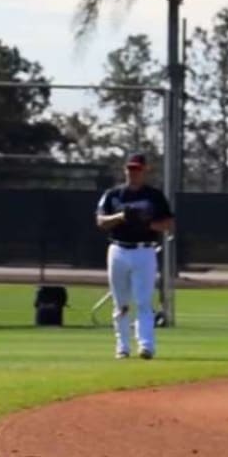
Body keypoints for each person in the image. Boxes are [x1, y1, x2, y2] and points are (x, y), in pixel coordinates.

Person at [94, 153, 174, 360]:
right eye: (130, 168)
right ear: (125, 170)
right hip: (118, 250)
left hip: (144, 250)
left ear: (145, 170)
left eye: (137, 168)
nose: (133, 172)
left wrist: (146, 224)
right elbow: (101, 222)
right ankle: (122, 347)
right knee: (120, 303)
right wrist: (120, 216)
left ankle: (146, 345)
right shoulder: (113, 195)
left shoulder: (154, 196)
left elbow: (168, 224)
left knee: (143, 301)